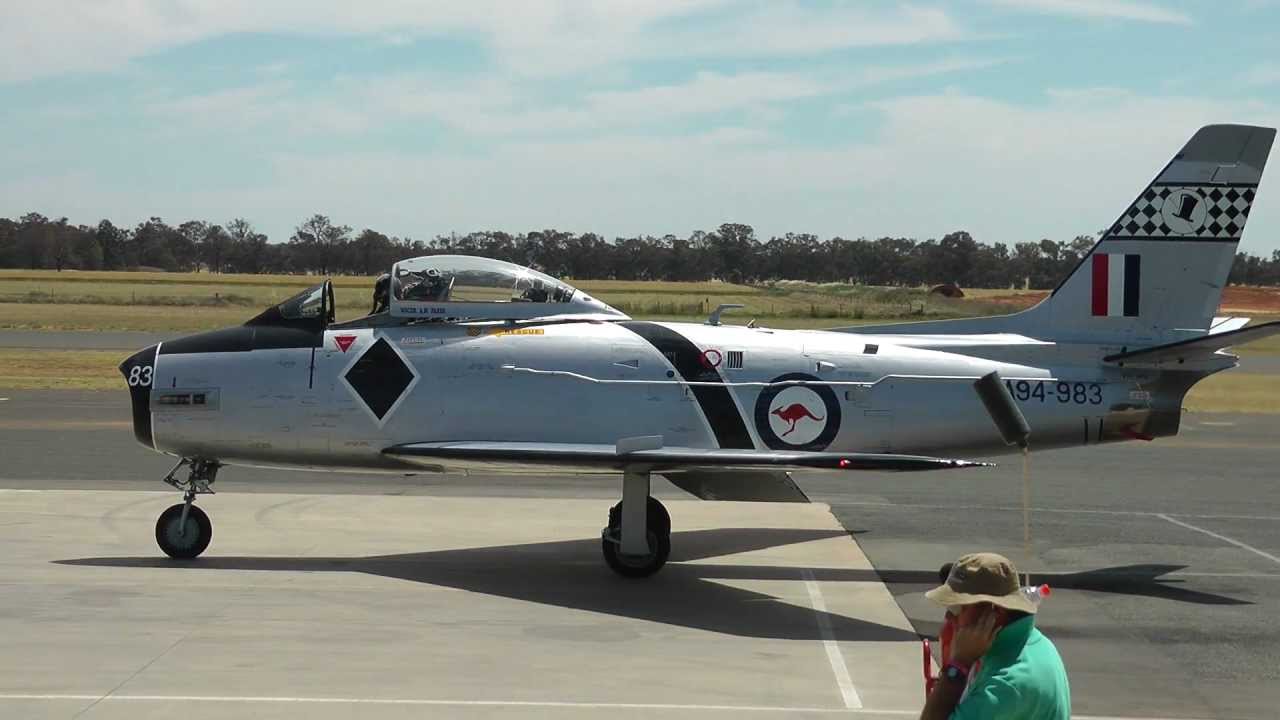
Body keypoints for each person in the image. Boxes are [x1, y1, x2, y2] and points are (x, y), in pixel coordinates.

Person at [920, 553, 1070, 720]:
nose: (949, 617)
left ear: (995, 611)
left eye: (957, 608)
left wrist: (958, 664)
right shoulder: (1033, 643)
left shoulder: (1005, 686)